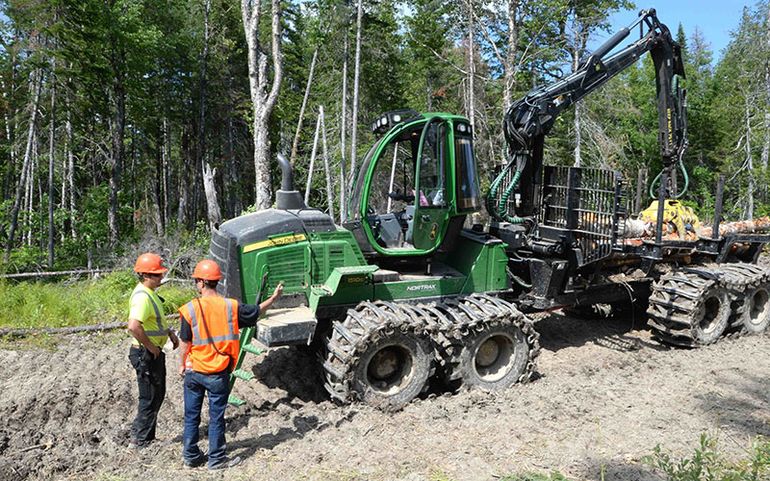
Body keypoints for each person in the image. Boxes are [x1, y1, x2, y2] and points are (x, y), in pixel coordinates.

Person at [178, 259, 283, 470]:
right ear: (217, 281)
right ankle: (216, 459)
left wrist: (182, 364)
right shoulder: (231, 307)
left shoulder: (190, 309)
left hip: (194, 371)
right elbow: (255, 312)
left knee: (191, 415)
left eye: (197, 280)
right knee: (216, 417)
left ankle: (190, 456)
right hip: (218, 372)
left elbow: (184, 341)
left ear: (201, 282)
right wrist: (273, 298)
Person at [127, 252, 179, 449]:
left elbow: (153, 322)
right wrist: (150, 347)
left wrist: (169, 333)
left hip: (152, 352)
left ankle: (146, 437)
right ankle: (139, 440)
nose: (160, 277)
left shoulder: (150, 293)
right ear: (145, 275)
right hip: (145, 353)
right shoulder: (142, 297)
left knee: (157, 395)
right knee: (149, 397)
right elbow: (134, 326)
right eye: (157, 274)